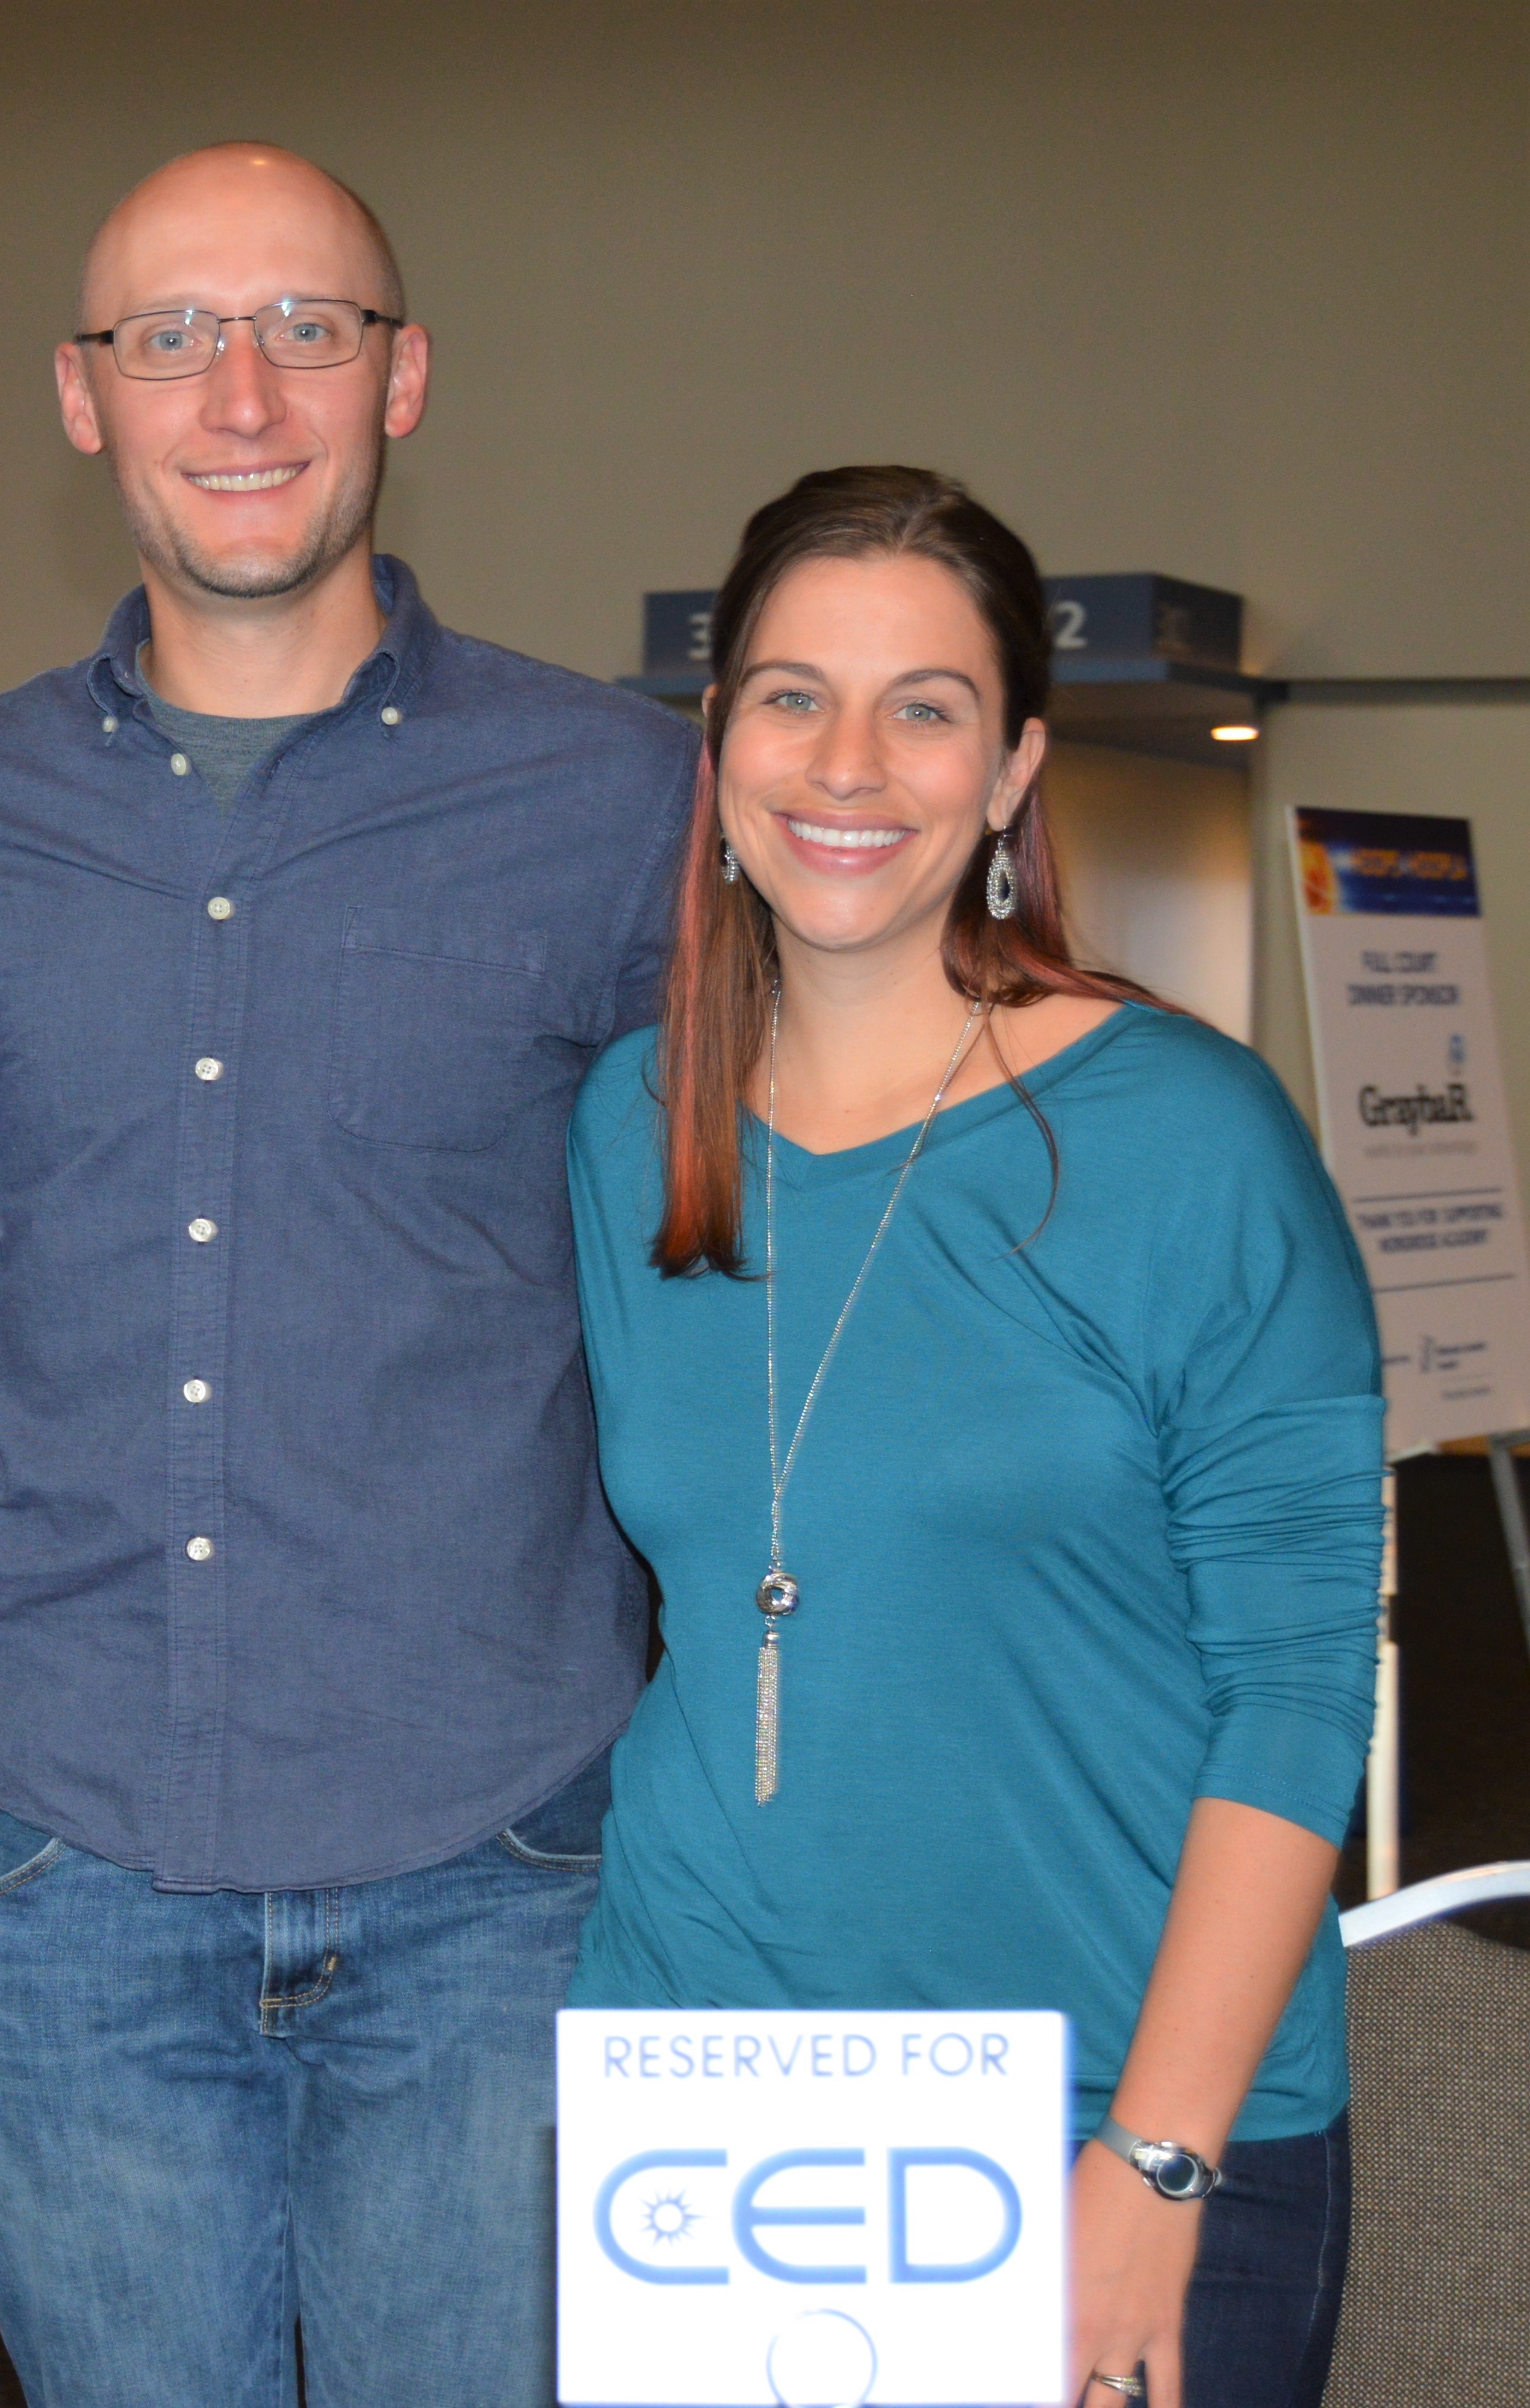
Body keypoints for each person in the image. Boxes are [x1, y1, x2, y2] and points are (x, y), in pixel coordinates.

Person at [0, 145, 697, 2404]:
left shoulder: (622, 796)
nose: (241, 396)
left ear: (401, 376)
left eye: (305, 329)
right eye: (173, 338)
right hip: (73, 1851)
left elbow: (732, 1249)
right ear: (83, 397)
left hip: (490, 1852)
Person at [565, 465, 1379, 2408]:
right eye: (793, 697)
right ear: (717, 740)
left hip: (1116, 2109)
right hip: (712, 2103)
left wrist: (1158, 2157)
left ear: (1012, 769)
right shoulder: (633, 1126)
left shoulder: (1188, 1138)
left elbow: (1294, 1692)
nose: (848, 764)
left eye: (923, 709)